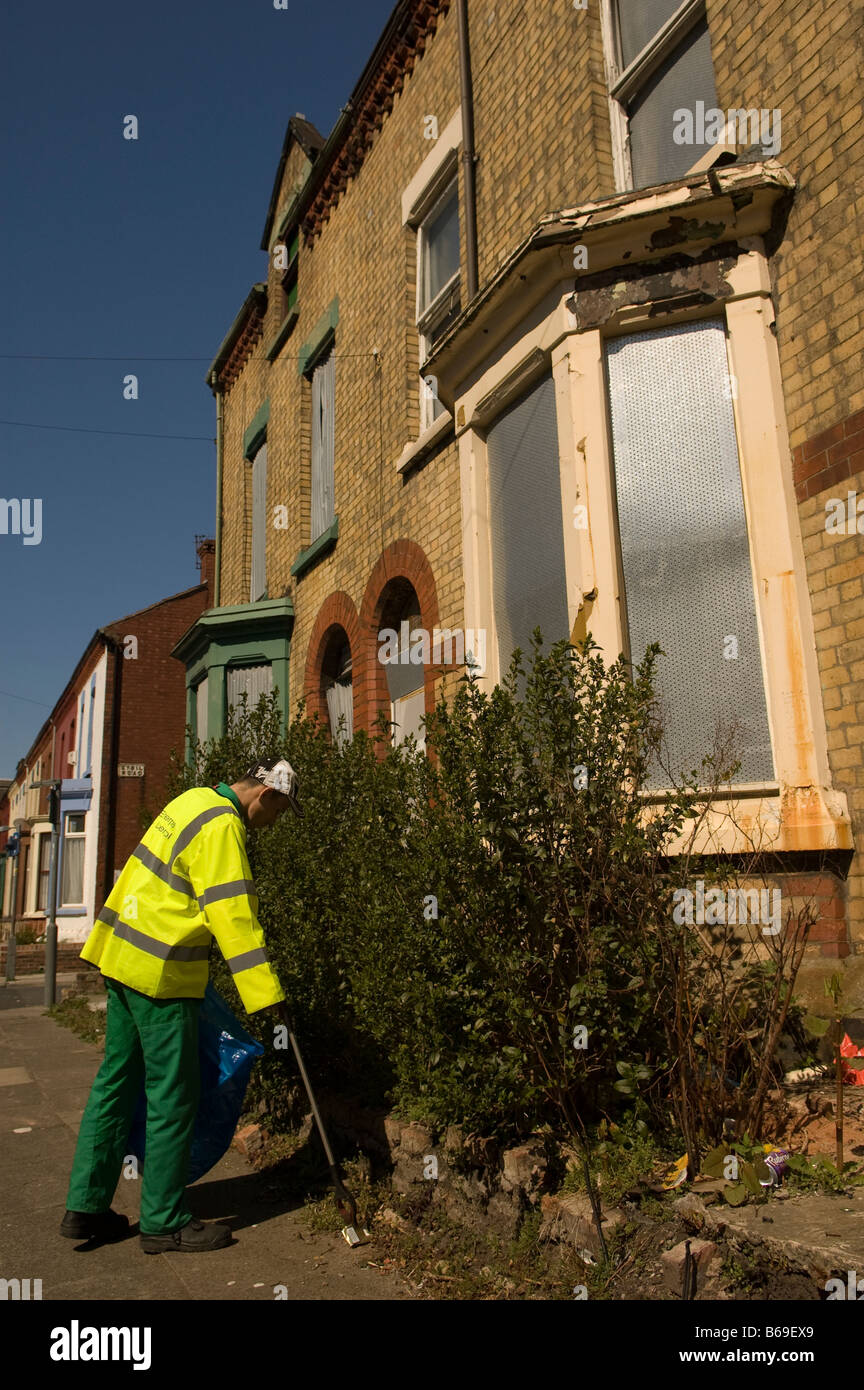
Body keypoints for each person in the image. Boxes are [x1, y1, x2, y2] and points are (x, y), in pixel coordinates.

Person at [59, 756, 301, 1253]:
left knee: (115, 1084)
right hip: (160, 976)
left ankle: (85, 1208)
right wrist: (268, 995)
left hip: (121, 958)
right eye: (277, 813)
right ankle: (164, 1222)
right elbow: (234, 917)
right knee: (172, 1095)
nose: (271, 825)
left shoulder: (191, 801)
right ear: (266, 794)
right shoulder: (224, 827)